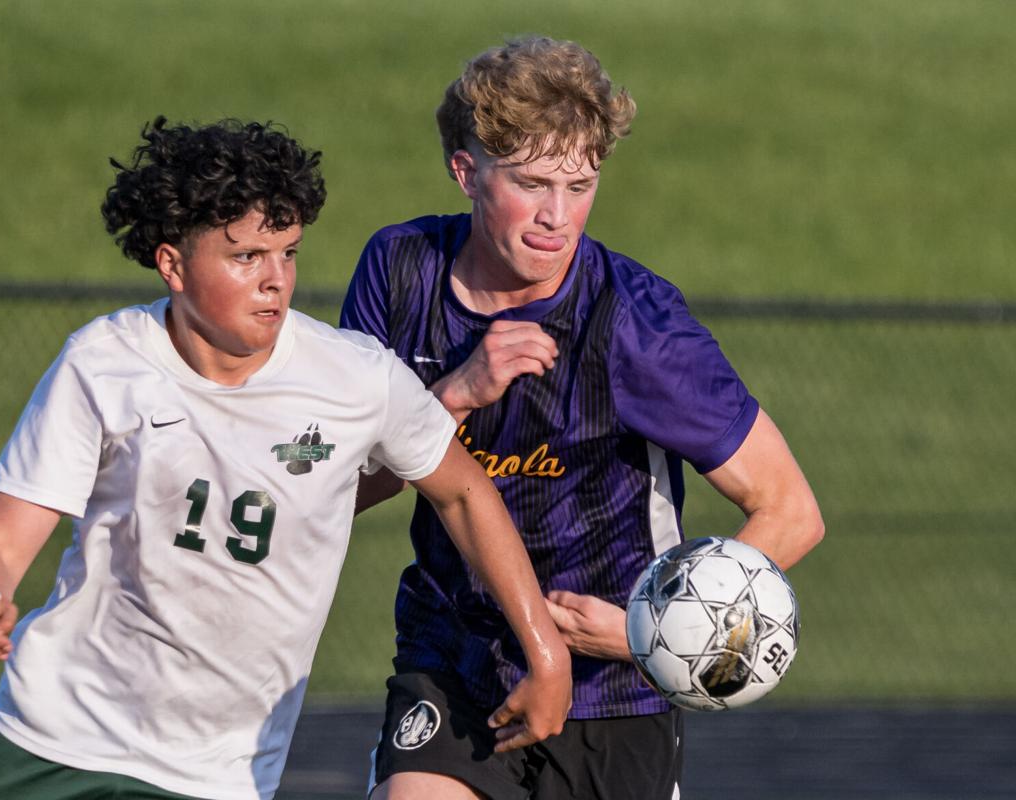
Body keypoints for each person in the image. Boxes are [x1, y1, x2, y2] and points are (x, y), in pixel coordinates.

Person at [0, 117, 571, 800]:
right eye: (246, 257)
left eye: (287, 253)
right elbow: (1, 541)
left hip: (217, 773)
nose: (276, 281)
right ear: (173, 264)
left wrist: (546, 652)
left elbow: (464, 493)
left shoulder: (355, 377)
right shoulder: (103, 363)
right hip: (50, 735)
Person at [341, 37, 825, 799]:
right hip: (454, 662)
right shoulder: (401, 272)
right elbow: (339, 490)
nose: (556, 216)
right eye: (532, 183)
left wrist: (646, 631)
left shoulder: (635, 321)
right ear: (466, 172)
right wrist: (452, 398)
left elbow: (790, 511)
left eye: (579, 185)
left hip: (613, 698)